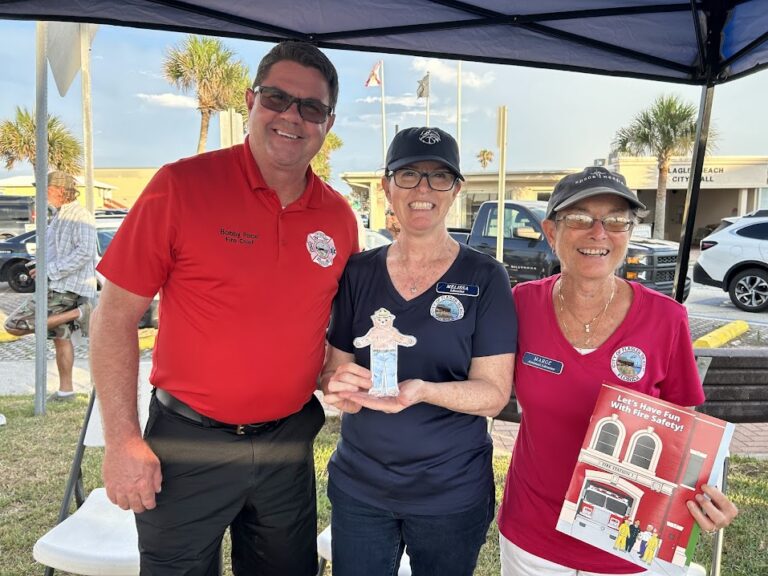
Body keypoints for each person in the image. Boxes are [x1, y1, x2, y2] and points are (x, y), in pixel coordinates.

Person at [89, 41, 359, 576]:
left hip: (287, 445)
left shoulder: (338, 216)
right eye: (277, 98)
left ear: (327, 122)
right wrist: (122, 441)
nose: (291, 117)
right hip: (187, 445)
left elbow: (330, 322)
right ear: (249, 101)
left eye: (311, 107)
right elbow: (114, 317)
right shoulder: (181, 187)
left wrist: (334, 365)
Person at [497, 166, 739, 575]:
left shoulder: (666, 318)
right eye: (578, 218)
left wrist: (703, 496)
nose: (598, 232)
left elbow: (687, 431)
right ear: (551, 232)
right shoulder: (520, 304)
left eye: (615, 220)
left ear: (628, 233)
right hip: (532, 536)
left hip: (627, 545)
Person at [321, 126, 517, 576]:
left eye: (438, 176)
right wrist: (338, 385)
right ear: (387, 185)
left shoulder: (486, 277)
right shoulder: (358, 272)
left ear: (456, 190)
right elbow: (333, 371)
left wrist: (422, 390)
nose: (423, 189)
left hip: (449, 492)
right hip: (361, 489)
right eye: (408, 175)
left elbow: (493, 393)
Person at [4, 171, 96, 402]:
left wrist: (50, 271)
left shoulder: (79, 215)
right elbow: (57, 251)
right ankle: (66, 392)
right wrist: (39, 266)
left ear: (58, 190)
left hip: (65, 287)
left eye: (45, 189)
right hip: (56, 284)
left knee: (13, 325)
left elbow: (85, 252)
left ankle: (82, 312)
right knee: (61, 339)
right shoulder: (58, 215)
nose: (42, 194)